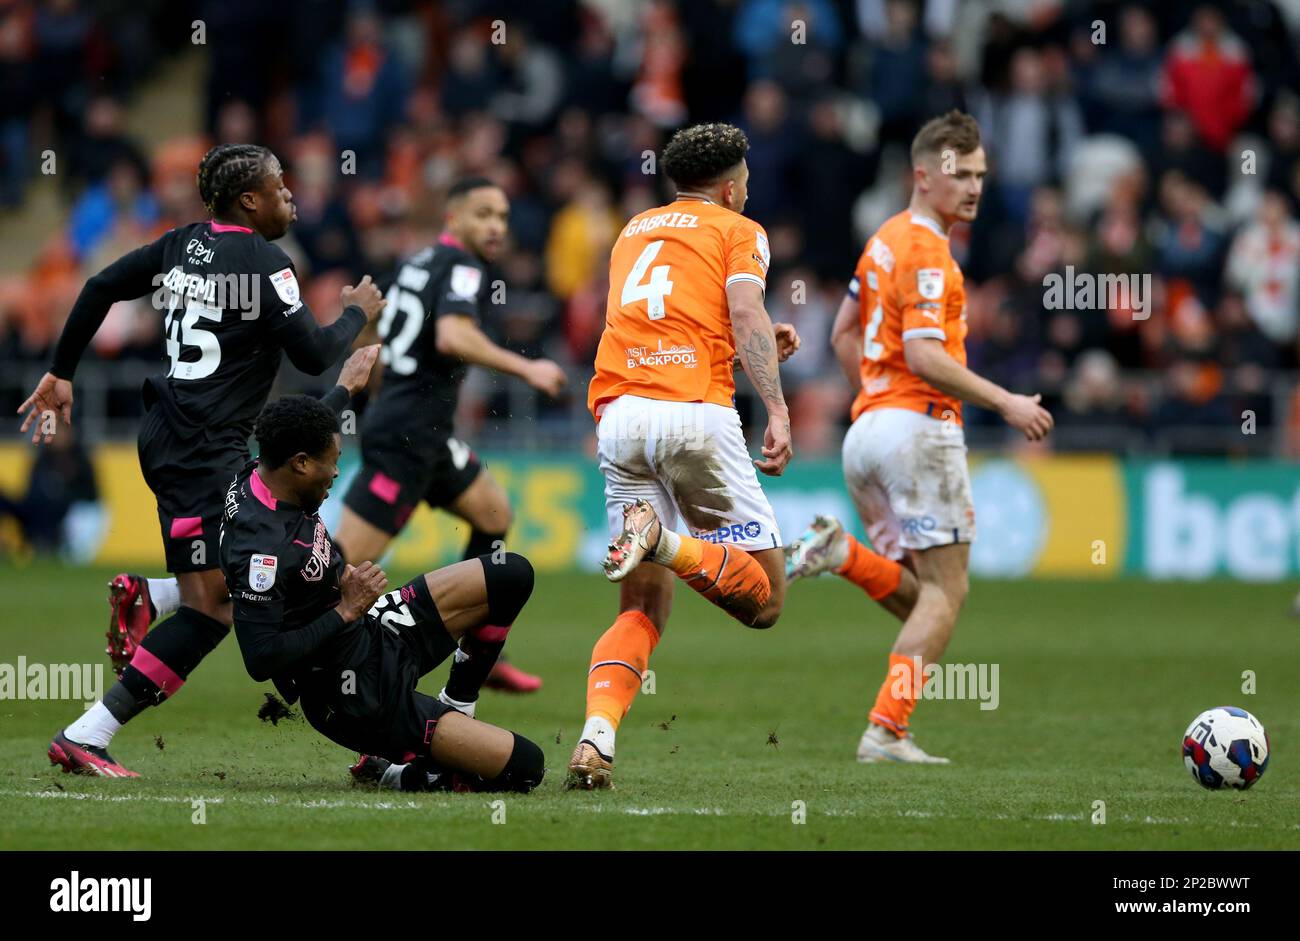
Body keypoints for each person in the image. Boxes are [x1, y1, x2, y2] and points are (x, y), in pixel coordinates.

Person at [23, 143, 386, 777]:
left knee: (246, 575)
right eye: (280, 186)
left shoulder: (179, 244)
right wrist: (357, 312)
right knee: (216, 606)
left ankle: (148, 598)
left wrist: (61, 370)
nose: (290, 195)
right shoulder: (268, 263)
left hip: (179, 437)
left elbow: (100, 284)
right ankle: (88, 731)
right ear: (250, 200)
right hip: (204, 451)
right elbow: (311, 353)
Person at [784, 111, 1053, 763]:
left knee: (919, 593)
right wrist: (1007, 401)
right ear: (923, 174)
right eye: (960, 174)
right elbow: (926, 354)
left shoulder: (883, 240)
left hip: (868, 432)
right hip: (918, 431)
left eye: (982, 175)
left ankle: (844, 556)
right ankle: (885, 729)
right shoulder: (931, 251)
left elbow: (843, 332)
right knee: (947, 592)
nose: (975, 187)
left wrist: (872, 401)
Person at [566, 123, 801, 789]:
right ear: (730, 185)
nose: (748, 187)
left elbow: (663, 327)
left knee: (640, 607)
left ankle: (596, 738)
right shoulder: (739, 228)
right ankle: (664, 540)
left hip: (622, 418)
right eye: (746, 178)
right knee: (765, 600)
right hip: (694, 417)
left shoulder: (634, 229)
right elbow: (745, 309)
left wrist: (732, 347)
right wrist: (777, 405)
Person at [220, 393, 544, 792]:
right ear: (300, 464)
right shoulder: (263, 552)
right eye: (332, 461)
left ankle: (457, 703)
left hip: (374, 630)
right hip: (353, 694)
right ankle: (395, 770)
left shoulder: (264, 467)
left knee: (511, 574)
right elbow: (260, 658)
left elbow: (292, 427)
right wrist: (345, 611)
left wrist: (344, 390)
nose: (337, 472)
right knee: (527, 767)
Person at [338, 177, 567, 694]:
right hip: (405, 440)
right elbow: (451, 335)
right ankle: (184, 599)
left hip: (423, 435)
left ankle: (476, 636)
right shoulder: (462, 268)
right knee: (332, 570)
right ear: (454, 218)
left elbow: (381, 334)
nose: (496, 227)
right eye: (484, 214)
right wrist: (526, 370)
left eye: (503, 217)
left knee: (494, 515)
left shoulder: (416, 263)